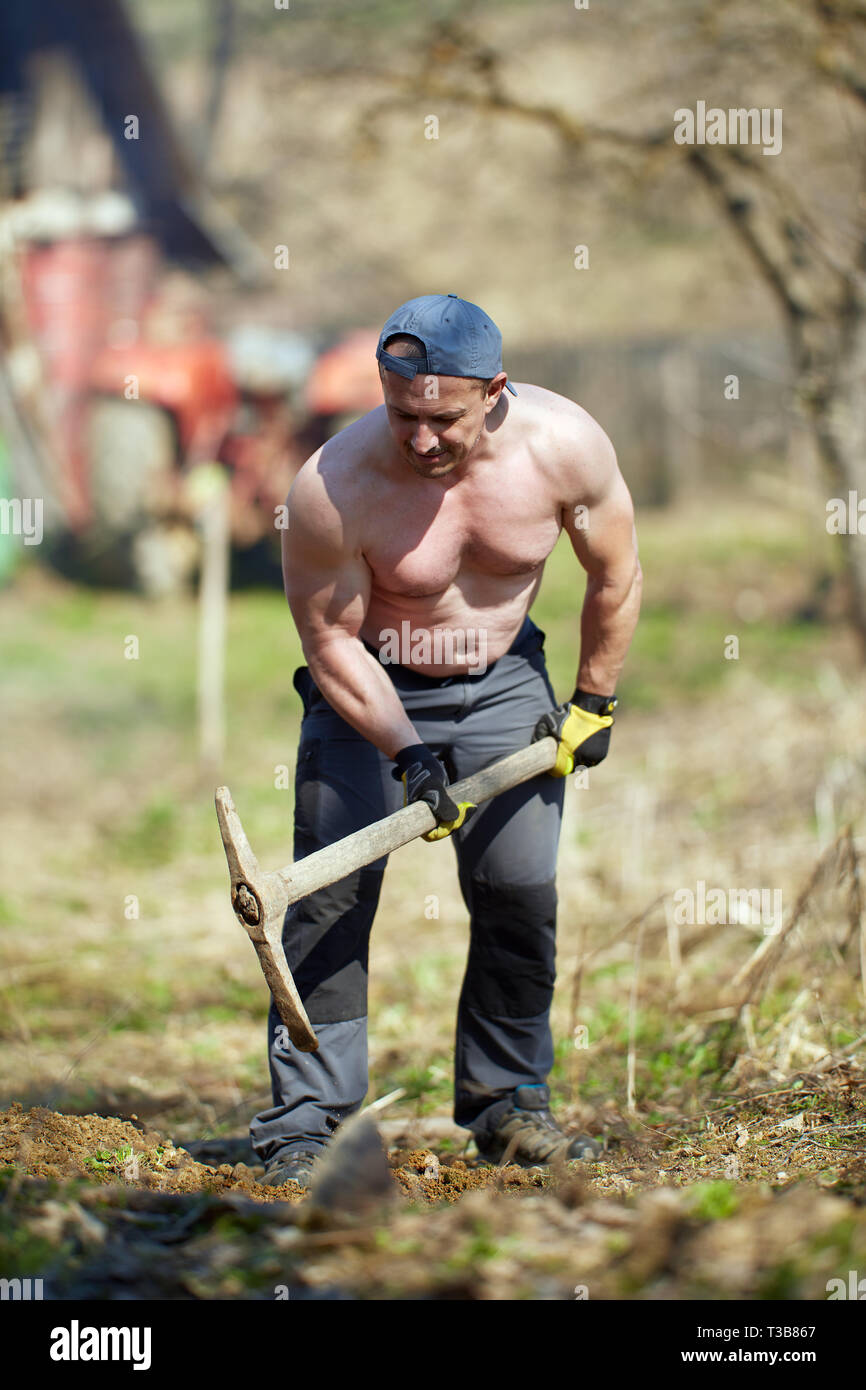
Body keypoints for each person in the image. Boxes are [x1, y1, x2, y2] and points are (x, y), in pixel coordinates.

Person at [250, 293, 642, 1188]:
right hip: (371, 695)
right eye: (402, 416)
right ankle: (305, 1127)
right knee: (328, 901)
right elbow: (330, 641)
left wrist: (595, 700)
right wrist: (403, 749)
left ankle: (509, 1109)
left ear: (495, 391)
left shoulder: (564, 446)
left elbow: (616, 574)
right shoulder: (334, 486)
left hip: (506, 682)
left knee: (519, 892)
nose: (421, 440)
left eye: (443, 418)